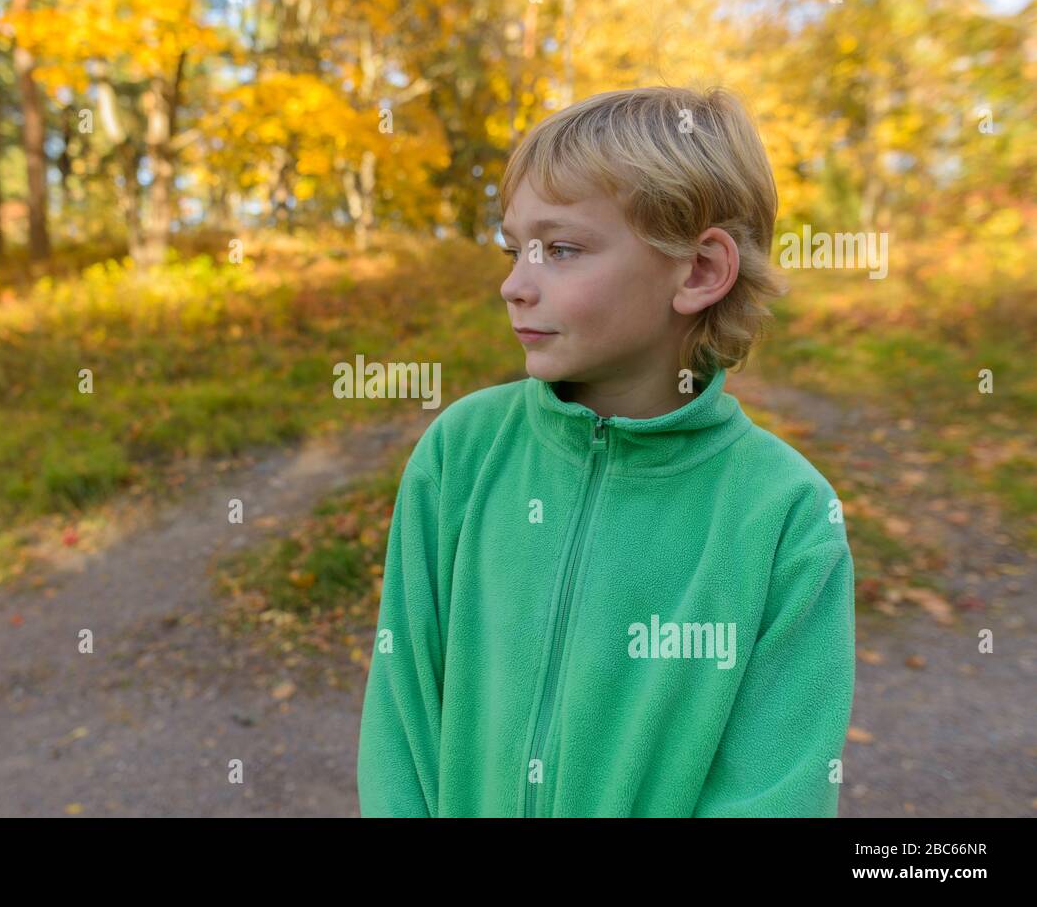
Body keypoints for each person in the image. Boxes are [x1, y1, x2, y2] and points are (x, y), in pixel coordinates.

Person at [356, 86, 856, 817]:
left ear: (699, 271)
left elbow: (778, 791)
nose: (514, 285)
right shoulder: (459, 454)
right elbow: (400, 723)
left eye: (560, 250)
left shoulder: (786, 515)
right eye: (514, 250)